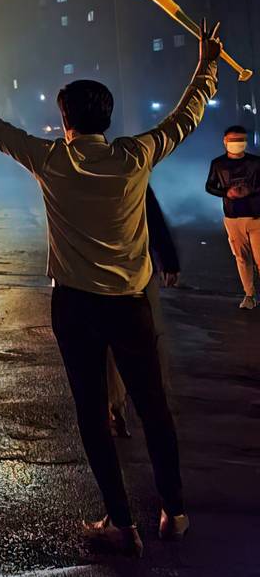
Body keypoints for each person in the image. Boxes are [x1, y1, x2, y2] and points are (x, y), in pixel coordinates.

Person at [0, 22, 221, 555]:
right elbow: (186, 116)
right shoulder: (135, 156)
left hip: (75, 307)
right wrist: (207, 63)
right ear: (109, 117)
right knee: (153, 408)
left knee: (93, 413)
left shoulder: (52, 160)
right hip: (130, 305)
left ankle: (121, 523)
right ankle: (175, 512)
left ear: (64, 120)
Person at [107, 187, 180, 439]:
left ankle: (116, 406)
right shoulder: (131, 167)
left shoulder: (72, 171)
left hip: (95, 278)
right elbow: (153, 217)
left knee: (109, 349)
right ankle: (149, 407)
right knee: (147, 340)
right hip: (136, 273)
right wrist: (168, 259)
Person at [205, 124, 260, 310]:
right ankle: (250, 295)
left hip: (256, 218)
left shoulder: (255, 163)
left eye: (240, 140)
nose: (236, 144)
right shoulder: (218, 164)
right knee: (242, 258)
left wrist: (250, 190)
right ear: (225, 142)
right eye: (233, 140)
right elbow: (210, 186)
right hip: (233, 218)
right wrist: (226, 192)